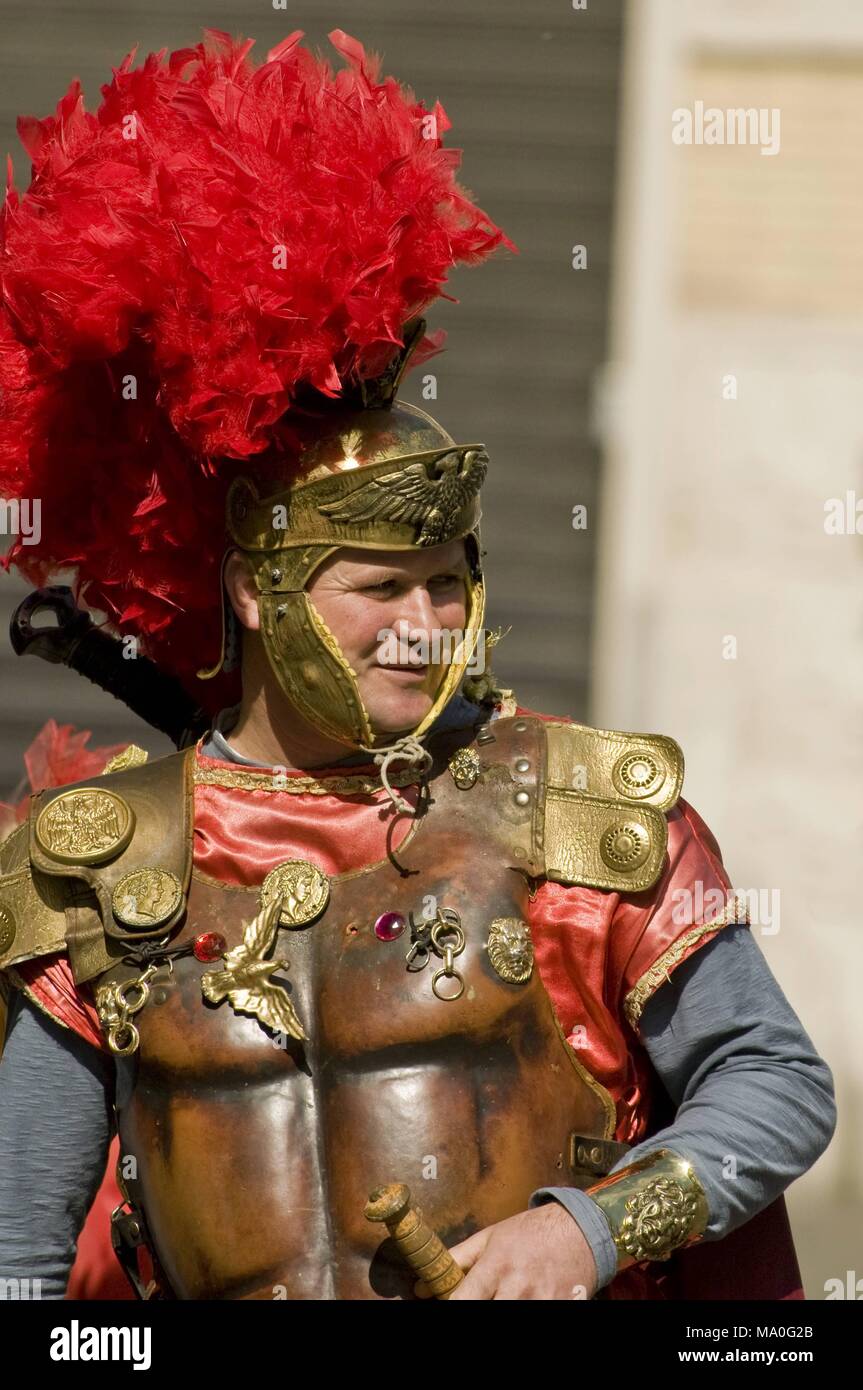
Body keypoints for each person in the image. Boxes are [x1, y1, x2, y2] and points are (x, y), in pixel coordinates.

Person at [0, 29, 834, 1301]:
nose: (423, 619)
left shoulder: (581, 817)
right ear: (256, 595)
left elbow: (775, 1085)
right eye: (378, 587)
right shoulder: (111, 862)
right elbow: (21, 1243)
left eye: (447, 580)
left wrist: (586, 1230)